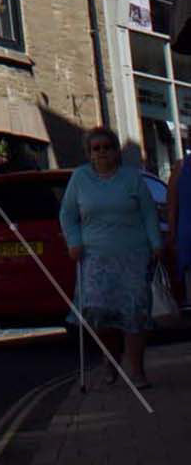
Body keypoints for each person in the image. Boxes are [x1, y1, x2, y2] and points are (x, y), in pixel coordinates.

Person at [60, 125, 160, 389]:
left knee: (134, 313)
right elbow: (67, 215)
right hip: (95, 257)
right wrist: (74, 242)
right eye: (96, 148)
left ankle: (137, 371)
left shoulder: (132, 178)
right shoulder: (80, 178)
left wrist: (156, 243)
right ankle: (110, 357)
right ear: (89, 154)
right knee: (98, 313)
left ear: (116, 152)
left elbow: (149, 213)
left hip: (133, 255)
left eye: (107, 147)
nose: (102, 152)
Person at [165, 143, 191, 307]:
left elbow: (171, 210)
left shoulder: (181, 168)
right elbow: (172, 210)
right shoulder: (181, 168)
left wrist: (172, 237)